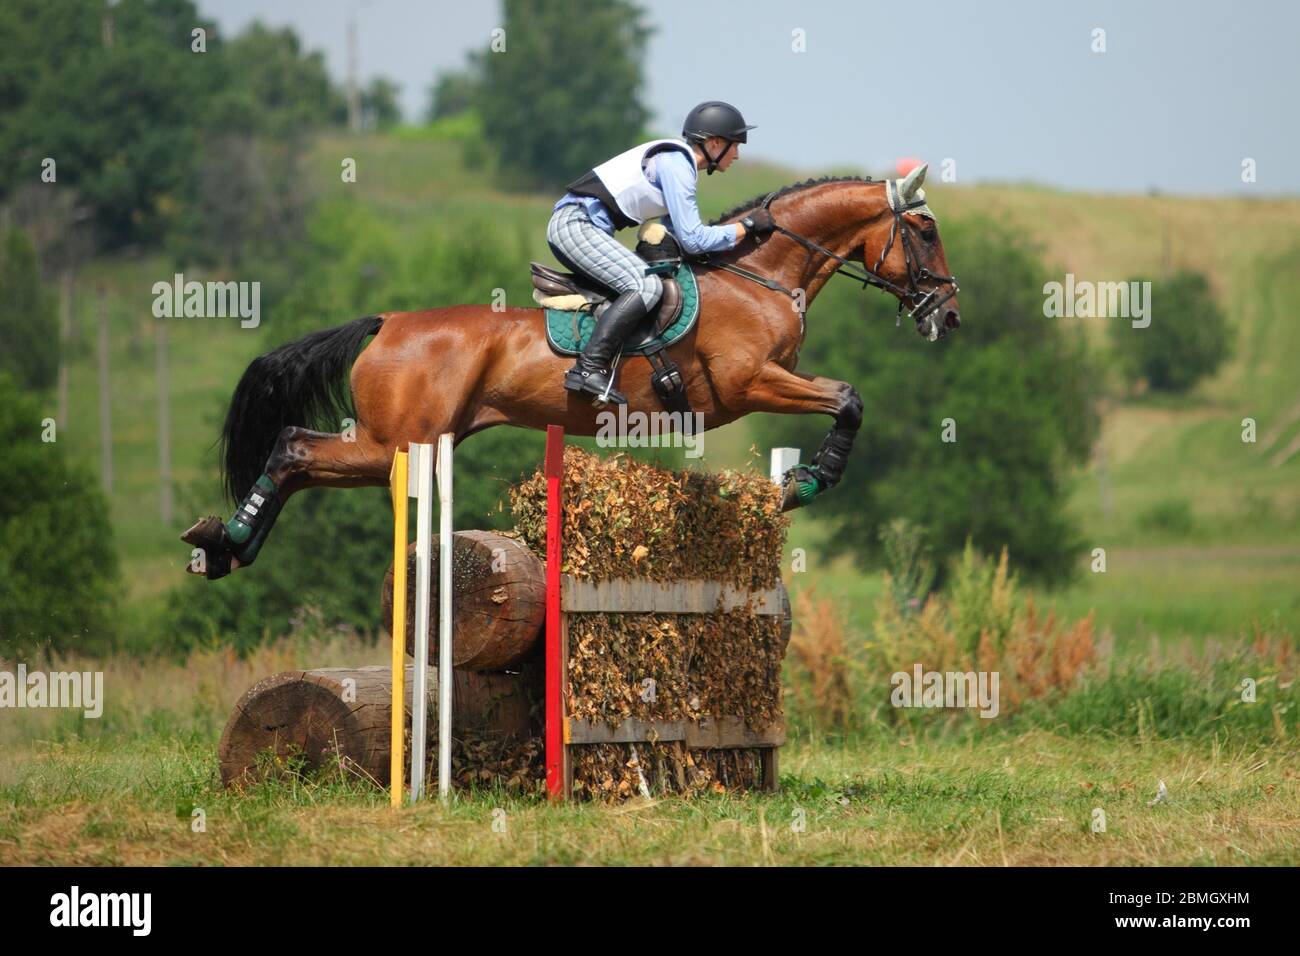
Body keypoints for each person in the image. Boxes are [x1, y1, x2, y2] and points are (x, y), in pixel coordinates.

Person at [548, 100, 775, 405]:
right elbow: (694, 239)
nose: (738, 154)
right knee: (645, 285)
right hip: (575, 225)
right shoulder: (677, 165)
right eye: (735, 145)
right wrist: (745, 227)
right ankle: (588, 368)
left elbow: (679, 238)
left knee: (651, 280)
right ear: (716, 143)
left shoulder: (677, 164)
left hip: (584, 227)